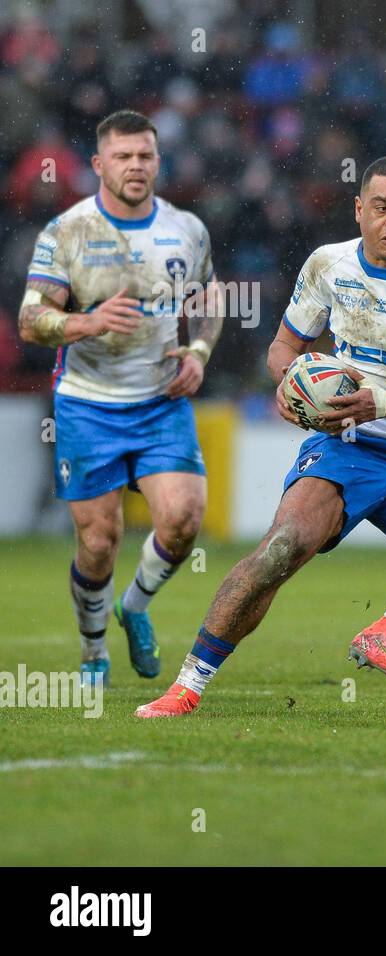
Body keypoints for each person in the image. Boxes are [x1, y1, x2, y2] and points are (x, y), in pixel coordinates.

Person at [136, 156, 386, 718]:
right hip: (344, 446)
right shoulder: (329, 265)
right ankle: (186, 687)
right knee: (279, 551)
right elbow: (282, 348)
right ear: (359, 209)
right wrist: (288, 383)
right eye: (382, 208)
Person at [18, 109, 222, 688]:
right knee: (100, 542)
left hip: (160, 401)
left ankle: (133, 607)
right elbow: (31, 320)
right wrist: (86, 323)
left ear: (158, 161)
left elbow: (209, 302)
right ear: (99, 165)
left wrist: (198, 355)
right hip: (86, 405)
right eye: (124, 156)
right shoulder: (68, 232)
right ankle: (91, 655)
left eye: (146, 156)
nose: (136, 166)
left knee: (183, 521)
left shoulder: (186, 228)